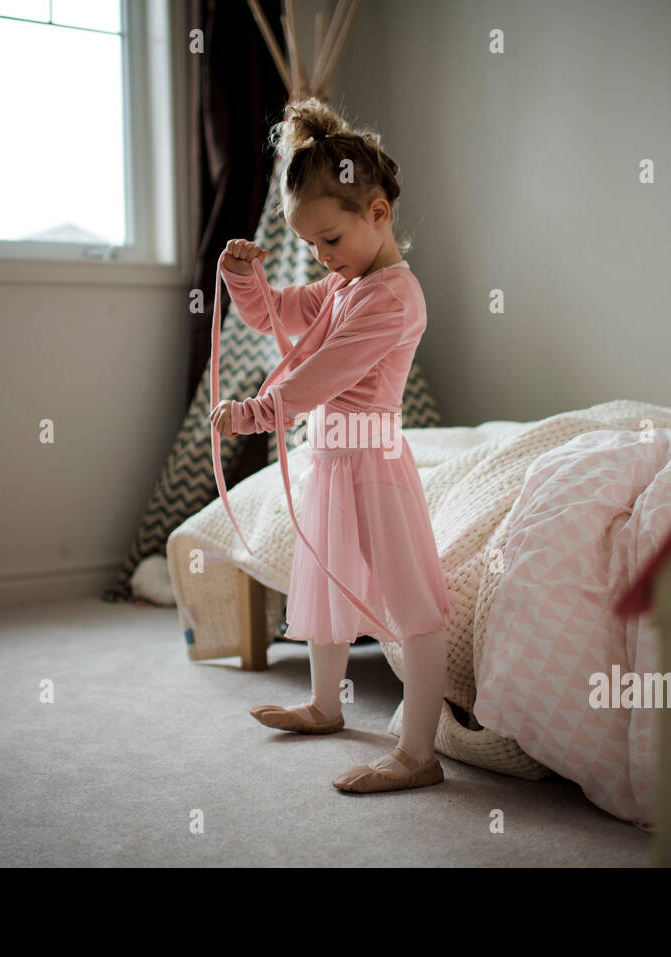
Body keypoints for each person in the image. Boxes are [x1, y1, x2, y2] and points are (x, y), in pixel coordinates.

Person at [209, 97, 451, 793]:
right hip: (332, 463)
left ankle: (418, 752)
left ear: (378, 212)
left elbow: (321, 374)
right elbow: (277, 318)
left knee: (411, 606)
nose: (322, 257)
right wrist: (245, 277)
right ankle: (324, 703)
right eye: (311, 245)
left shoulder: (393, 297)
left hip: (373, 464)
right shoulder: (344, 283)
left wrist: (257, 412)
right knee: (326, 584)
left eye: (330, 239)